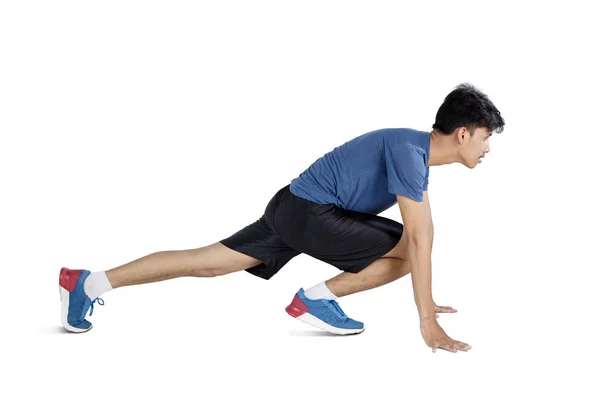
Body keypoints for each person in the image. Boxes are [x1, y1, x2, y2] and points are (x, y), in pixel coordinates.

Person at [58, 82, 504, 353]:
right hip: (310, 213)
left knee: (204, 262)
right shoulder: (411, 153)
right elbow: (421, 238)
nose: (486, 149)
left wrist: (426, 297)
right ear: (462, 133)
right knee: (409, 252)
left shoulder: (411, 150)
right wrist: (427, 317)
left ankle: (88, 282)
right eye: (485, 138)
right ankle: (315, 298)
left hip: (294, 206)